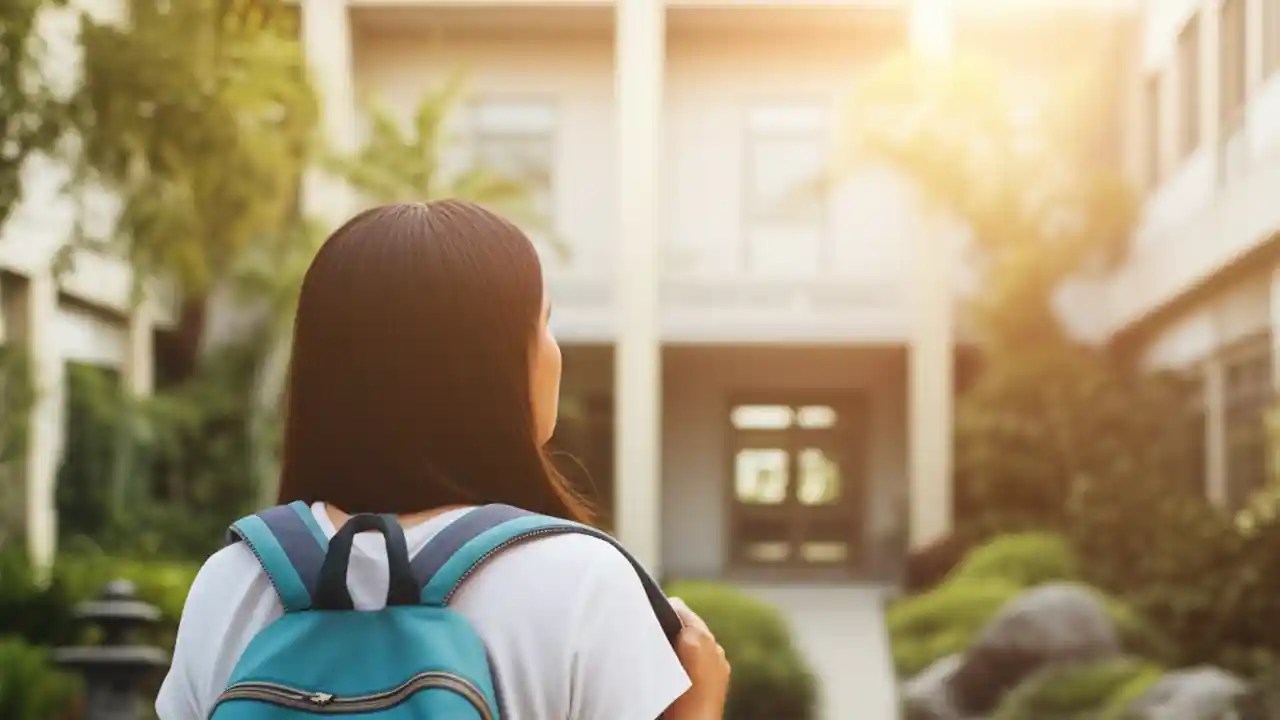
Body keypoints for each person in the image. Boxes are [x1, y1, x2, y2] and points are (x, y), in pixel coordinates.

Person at [156, 200, 731, 719]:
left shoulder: (234, 581)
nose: (555, 351)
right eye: (543, 323)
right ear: (495, 366)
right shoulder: (585, 582)